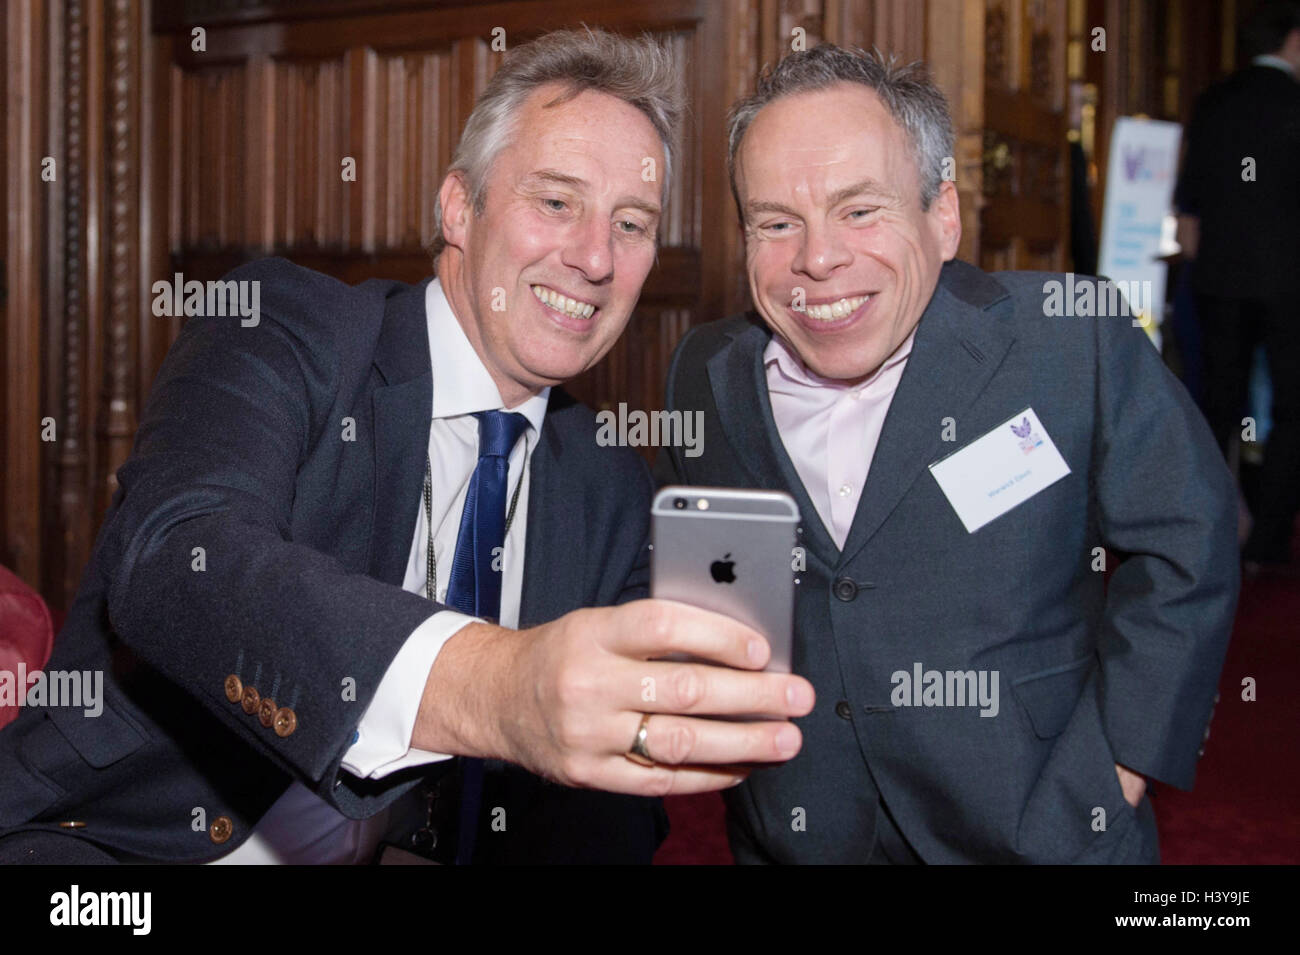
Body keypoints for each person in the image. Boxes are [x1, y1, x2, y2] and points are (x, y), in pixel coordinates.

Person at [0, 28, 814, 866]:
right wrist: (500, 687)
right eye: (557, 202)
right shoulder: (283, 324)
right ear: (458, 206)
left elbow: (604, 810)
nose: (595, 257)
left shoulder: (607, 479)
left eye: (632, 223)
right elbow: (177, 557)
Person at [655, 44, 1239, 864]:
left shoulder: (1068, 341)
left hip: (1038, 830)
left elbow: (1191, 539)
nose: (818, 259)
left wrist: (1119, 768)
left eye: (861, 210)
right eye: (776, 222)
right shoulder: (705, 375)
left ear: (943, 217)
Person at [1174, 1, 1300, 568]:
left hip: (1220, 279)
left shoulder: (1213, 102)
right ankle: (1269, 543)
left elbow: (1188, 214)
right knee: (1293, 409)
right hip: (1291, 283)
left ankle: (1208, 530)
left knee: (1215, 405)